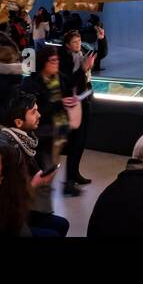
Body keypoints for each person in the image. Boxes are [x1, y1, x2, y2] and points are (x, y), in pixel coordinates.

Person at [0, 90, 70, 237]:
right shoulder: (3, 150)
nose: (39, 115)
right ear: (18, 122)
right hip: (1, 221)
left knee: (62, 224)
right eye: (34, 112)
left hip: (18, 211)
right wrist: (33, 184)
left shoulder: (23, 142)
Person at [23, 47, 74, 200]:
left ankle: (42, 194)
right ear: (44, 62)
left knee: (51, 167)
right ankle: (37, 199)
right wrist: (59, 103)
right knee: (43, 169)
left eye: (57, 60)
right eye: (53, 60)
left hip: (57, 132)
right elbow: (37, 113)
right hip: (41, 134)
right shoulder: (32, 83)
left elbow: (71, 86)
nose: (56, 63)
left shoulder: (60, 79)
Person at [58, 30, 95, 196]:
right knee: (75, 142)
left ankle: (75, 174)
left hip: (84, 101)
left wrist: (101, 39)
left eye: (79, 40)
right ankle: (69, 182)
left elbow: (99, 55)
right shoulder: (65, 60)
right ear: (67, 45)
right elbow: (68, 84)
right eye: (74, 42)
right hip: (73, 106)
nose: (78, 44)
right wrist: (83, 69)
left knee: (82, 141)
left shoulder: (81, 55)